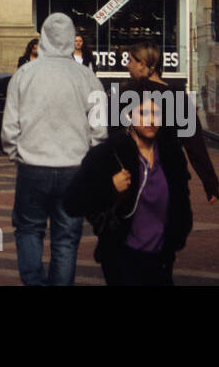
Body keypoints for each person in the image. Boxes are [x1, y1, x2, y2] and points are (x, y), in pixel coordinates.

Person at [1, 13, 106, 286]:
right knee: (66, 238)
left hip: (33, 166)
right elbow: (100, 130)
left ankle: (34, 282)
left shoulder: (24, 74)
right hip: (74, 167)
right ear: (72, 40)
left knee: (28, 229)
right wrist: (87, 159)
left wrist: (18, 155)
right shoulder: (87, 78)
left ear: (44, 37)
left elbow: (9, 128)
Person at [63, 86, 194, 285]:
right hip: (122, 258)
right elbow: (73, 202)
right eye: (143, 113)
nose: (151, 120)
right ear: (128, 115)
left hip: (161, 259)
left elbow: (182, 202)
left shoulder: (171, 155)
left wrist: (177, 237)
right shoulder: (110, 154)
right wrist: (109, 187)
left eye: (156, 113)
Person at [117, 44, 219, 203]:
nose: (127, 65)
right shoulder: (177, 96)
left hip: (137, 176)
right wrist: (210, 183)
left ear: (142, 64)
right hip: (173, 175)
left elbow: (111, 136)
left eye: (130, 60)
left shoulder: (130, 94)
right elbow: (195, 145)